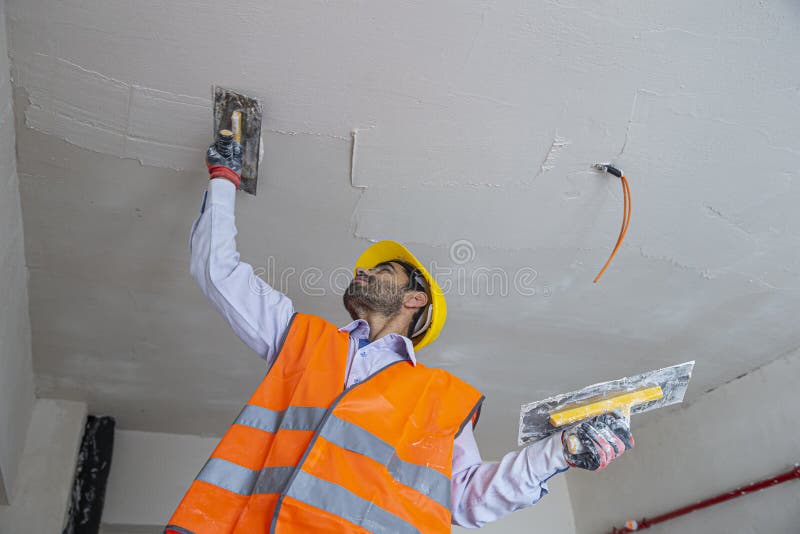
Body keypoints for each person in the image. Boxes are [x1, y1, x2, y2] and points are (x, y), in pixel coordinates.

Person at [166, 134, 633, 533]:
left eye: (383, 270)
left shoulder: (440, 399)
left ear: (415, 299)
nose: (364, 273)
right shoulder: (301, 340)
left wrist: (559, 451)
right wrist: (222, 180)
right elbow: (218, 271)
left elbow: (467, 499)